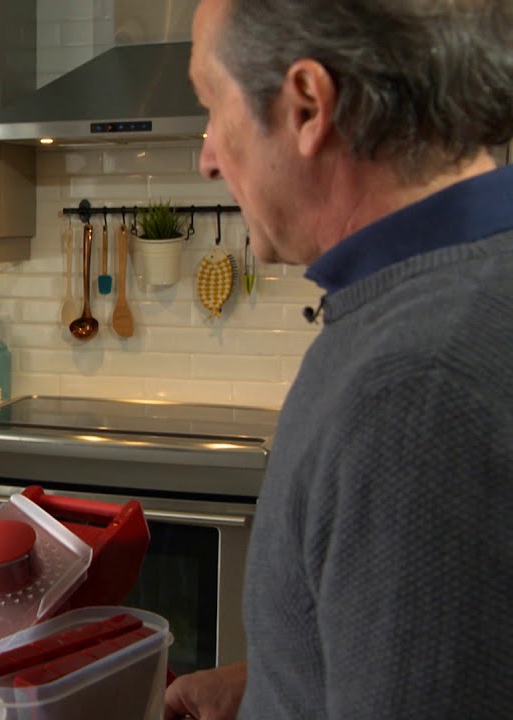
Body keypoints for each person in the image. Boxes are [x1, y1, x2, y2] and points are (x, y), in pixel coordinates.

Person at [165, 1, 513, 718]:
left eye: (211, 105)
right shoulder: (438, 290)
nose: (206, 155)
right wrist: (269, 685)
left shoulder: (417, 389)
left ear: (306, 106)